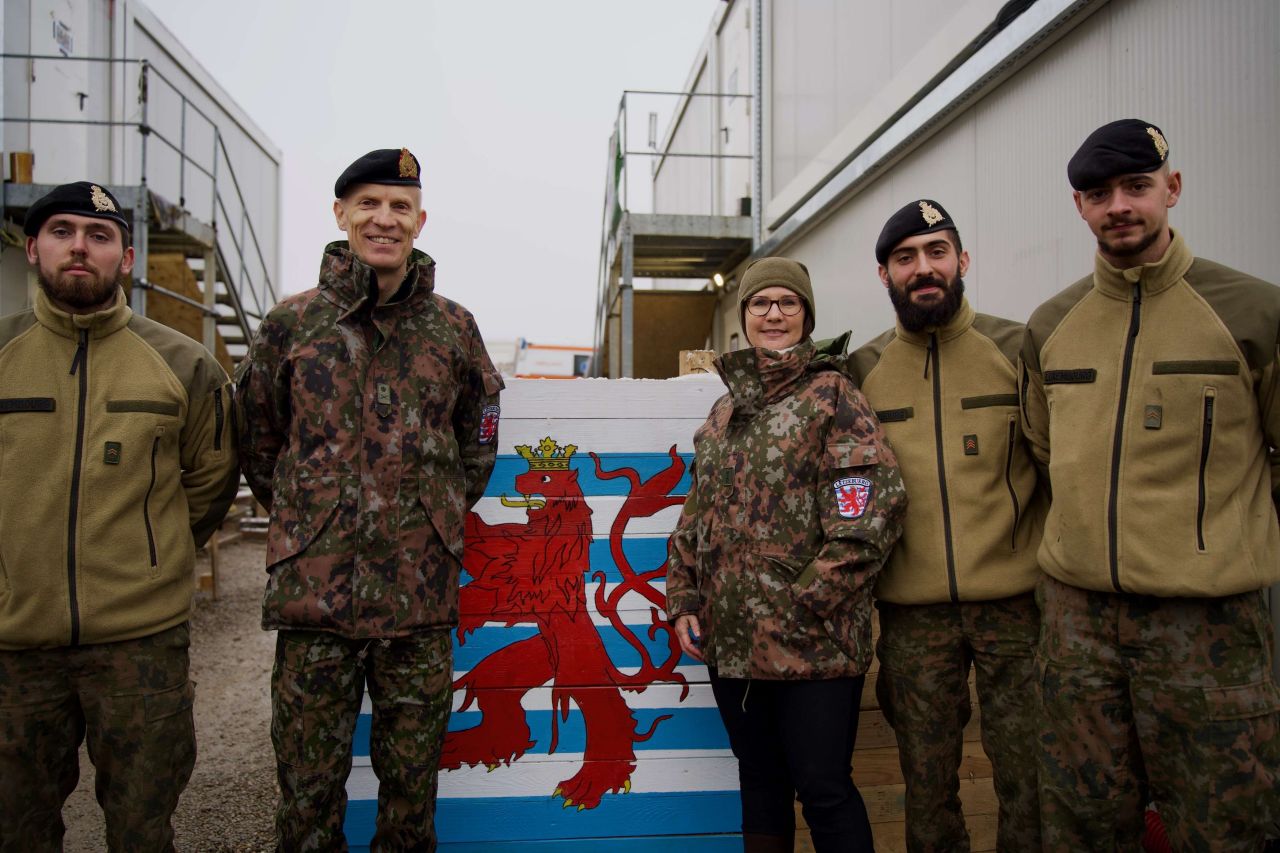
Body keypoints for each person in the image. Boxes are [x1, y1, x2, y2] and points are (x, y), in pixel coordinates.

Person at [1020, 118, 1280, 850]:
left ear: (1173, 188)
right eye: (1098, 194)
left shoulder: (1253, 313)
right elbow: (1046, 449)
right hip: (1077, 628)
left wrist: (1222, 543)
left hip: (1208, 627)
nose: (1119, 206)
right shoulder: (1051, 325)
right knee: (1083, 823)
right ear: (1080, 208)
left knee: (1227, 823)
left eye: (1136, 186)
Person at [236, 148, 504, 851]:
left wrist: (428, 517)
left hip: (418, 602)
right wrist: (312, 521)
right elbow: (260, 443)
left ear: (420, 221)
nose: (384, 219)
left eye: (399, 206)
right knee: (306, 791)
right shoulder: (289, 326)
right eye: (368, 204)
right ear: (341, 215)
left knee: (411, 793)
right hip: (313, 601)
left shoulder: (454, 328)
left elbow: (477, 444)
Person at [0, 181, 239, 851]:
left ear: (127, 258)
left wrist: (151, 554)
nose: (80, 246)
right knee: (16, 829)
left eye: (99, 236)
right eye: (63, 231)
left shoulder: (184, 365)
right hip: (15, 645)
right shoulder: (2, 354)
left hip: (140, 646)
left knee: (142, 828)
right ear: (32, 248)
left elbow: (212, 479)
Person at [666, 257, 907, 853]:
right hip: (733, 646)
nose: (773, 314)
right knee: (760, 785)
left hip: (814, 649)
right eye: (760, 304)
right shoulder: (723, 413)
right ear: (743, 317)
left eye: (788, 302)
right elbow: (695, 516)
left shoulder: (834, 396)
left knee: (824, 790)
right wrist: (683, 600)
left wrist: (803, 603)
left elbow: (869, 513)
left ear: (806, 315)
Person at [846, 199, 1045, 852]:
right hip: (911, 615)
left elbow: (1057, 465)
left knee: (1030, 777)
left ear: (963, 260)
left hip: (1017, 607)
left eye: (936, 252)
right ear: (884, 274)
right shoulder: (862, 370)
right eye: (905, 257)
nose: (923, 267)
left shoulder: (1017, 347)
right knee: (927, 785)